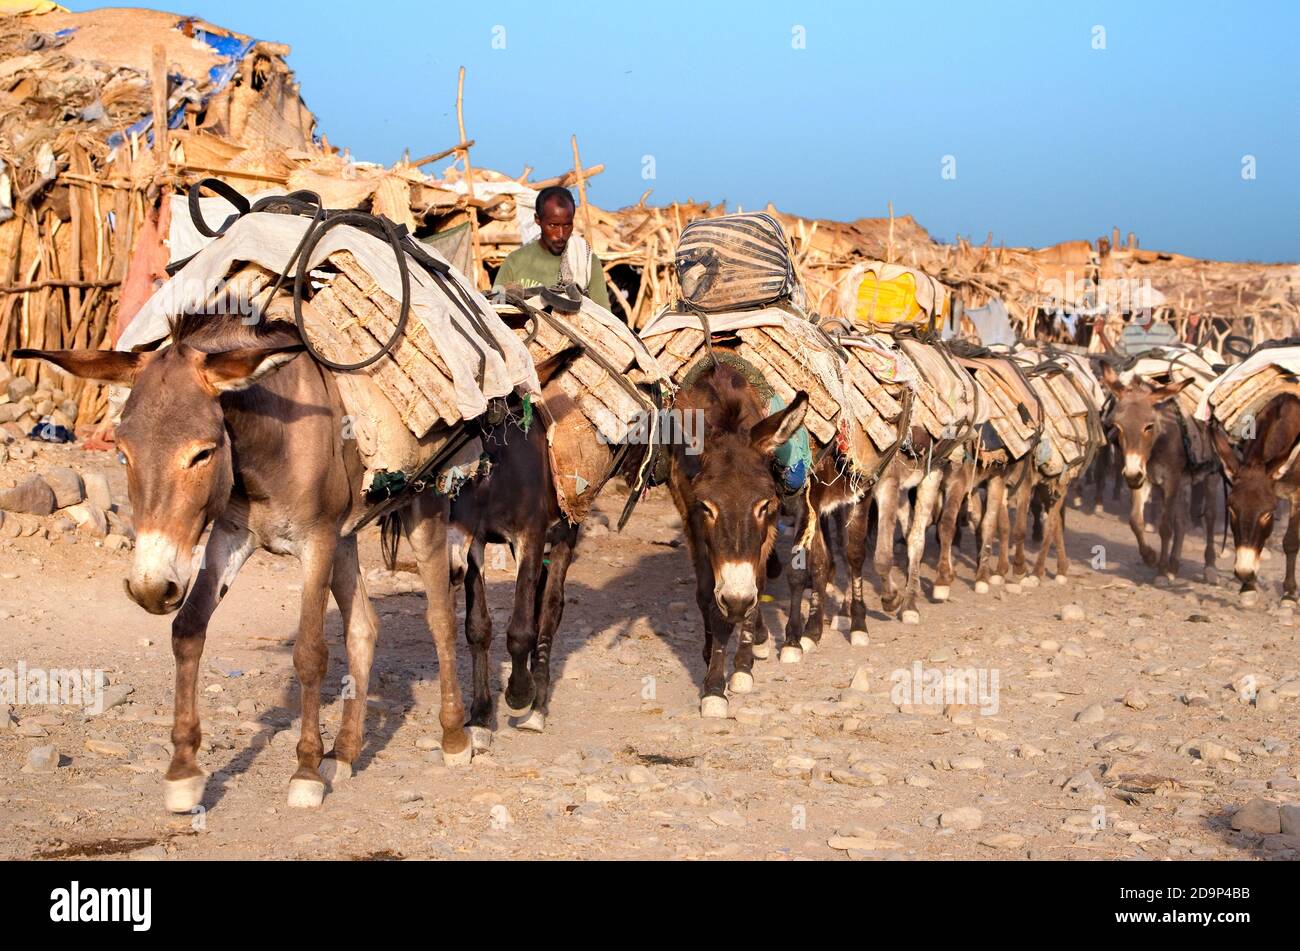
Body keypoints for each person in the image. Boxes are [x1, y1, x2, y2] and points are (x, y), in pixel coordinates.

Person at [492, 185, 611, 310]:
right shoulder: (515, 261)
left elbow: (604, 316)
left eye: (567, 225)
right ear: (538, 220)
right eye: (553, 225)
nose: (560, 235)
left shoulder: (586, 261)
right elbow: (496, 308)